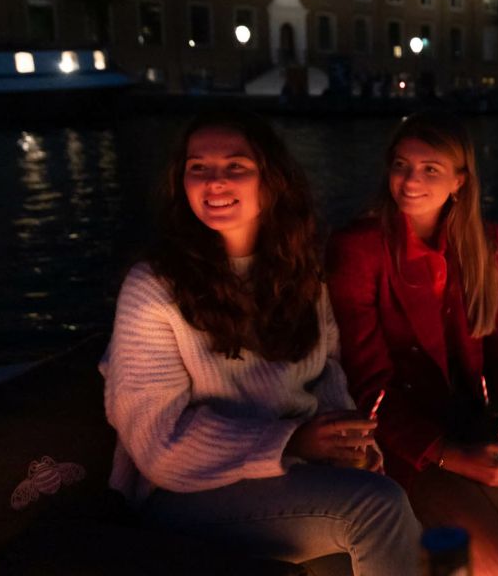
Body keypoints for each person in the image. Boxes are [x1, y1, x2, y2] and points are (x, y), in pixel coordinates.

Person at [100, 109, 419, 575]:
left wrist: (349, 442)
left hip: (290, 472)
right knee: (378, 509)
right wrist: (292, 442)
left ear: (271, 181)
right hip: (186, 492)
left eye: (235, 167)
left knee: (361, 526)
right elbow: (157, 442)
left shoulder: (300, 273)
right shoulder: (154, 288)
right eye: (198, 168)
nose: (215, 182)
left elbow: (327, 372)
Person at [327, 111, 498, 574]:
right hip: (409, 446)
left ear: (460, 180)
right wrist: (450, 454)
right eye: (401, 165)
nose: (409, 180)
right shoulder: (359, 248)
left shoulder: (481, 240)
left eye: (429, 169)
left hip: (481, 422)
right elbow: (368, 386)